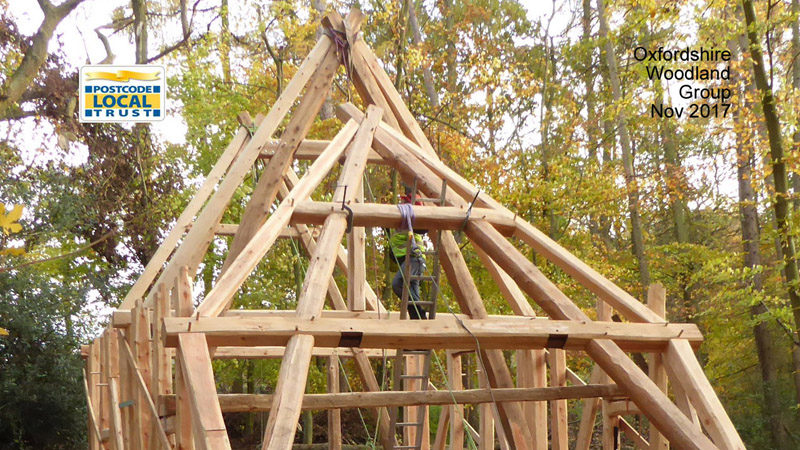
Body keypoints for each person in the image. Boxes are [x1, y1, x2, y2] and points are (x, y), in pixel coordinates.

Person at [390, 186, 428, 319]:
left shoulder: (413, 202)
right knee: (413, 293)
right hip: (406, 258)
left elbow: (423, 224)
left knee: (398, 283)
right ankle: (418, 319)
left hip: (413, 257)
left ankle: (419, 315)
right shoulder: (403, 205)